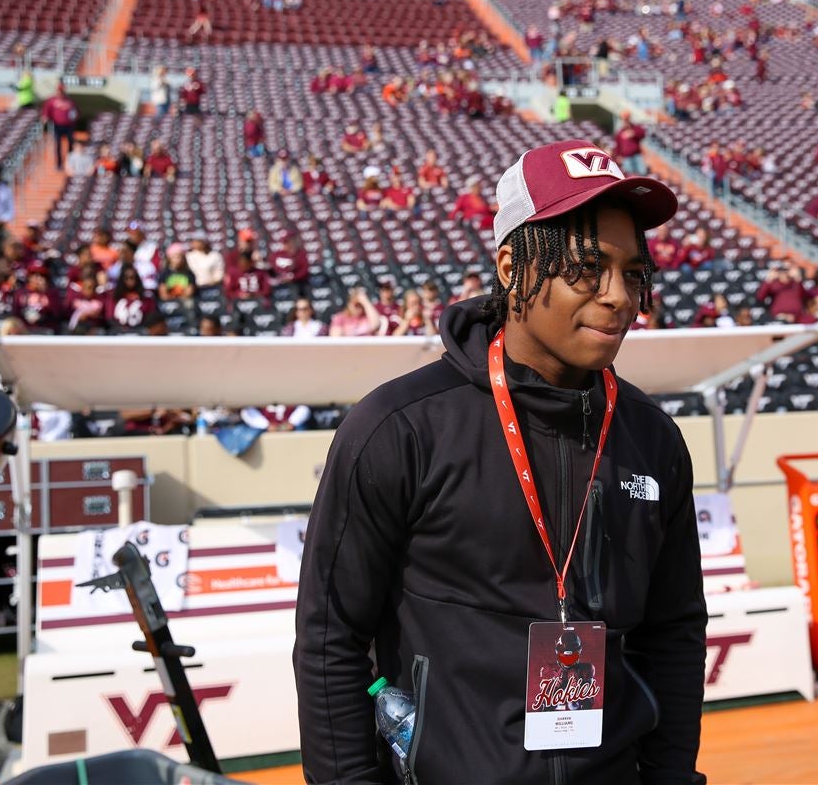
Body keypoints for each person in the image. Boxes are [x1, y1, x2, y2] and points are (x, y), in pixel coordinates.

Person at [295, 138, 706, 784]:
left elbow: (674, 632)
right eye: (587, 268)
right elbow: (329, 642)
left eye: (632, 273)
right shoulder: (396, 428)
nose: (618, 296)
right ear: (512, 266)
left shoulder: (654, 439)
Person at [106, 266, 156, 331]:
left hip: (140, 333)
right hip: (118, 333)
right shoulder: (114, 298)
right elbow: (110, 318)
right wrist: (122, 329)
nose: (130, 280)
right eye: (126, 278)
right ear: (122, 279)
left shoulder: (146, 299)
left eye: (132, 277)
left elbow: (151, 318)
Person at [41, 84, 78, 170]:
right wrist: (45, 118)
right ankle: (59, 164)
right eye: (59, 90)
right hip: (57, 125)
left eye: (61, 90)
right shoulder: (52, 101)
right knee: (57, 144)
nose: (60, 92)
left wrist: (75, 117)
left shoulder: (69, 101)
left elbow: (75, 112)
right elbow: (46, 112)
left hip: (69, 126)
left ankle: (70, 163)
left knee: (71, 144)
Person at [614, 111, 647, 175]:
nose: (625, 121)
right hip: (626, 157)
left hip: (636, 155)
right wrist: (618, 155)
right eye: (624, 119)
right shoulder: (620, 132)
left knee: (642, 173)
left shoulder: (635, 128)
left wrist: (634, 133)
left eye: (627, 119)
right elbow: (617, 145)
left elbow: (643, 133)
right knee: (630, 174)